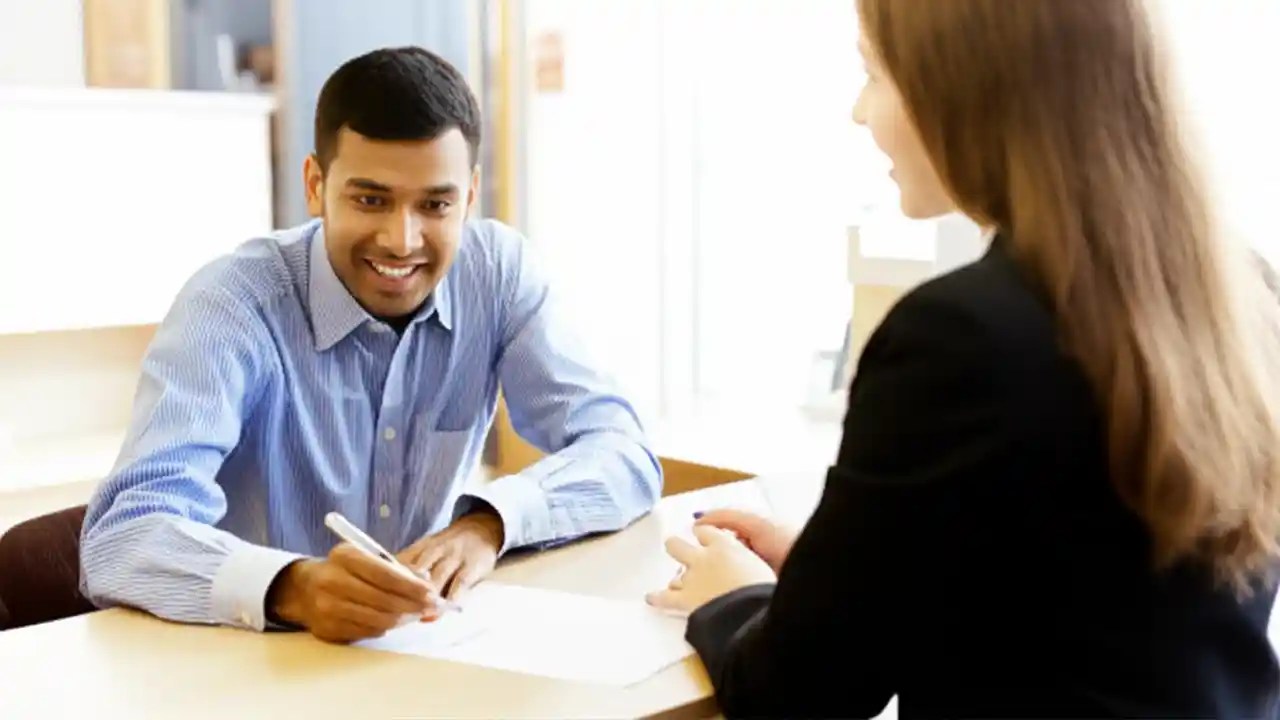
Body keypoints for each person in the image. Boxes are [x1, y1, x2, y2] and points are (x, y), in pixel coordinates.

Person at [646, 1, 1280, 717]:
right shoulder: (1243, 291)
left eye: (874, 75)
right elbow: (1100, 603)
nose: (859, 113)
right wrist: (840, 573)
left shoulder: (958, 335)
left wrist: (735, 598)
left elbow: (797, 694)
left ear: (970, 87)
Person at [80, 46, 662, 644]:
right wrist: (293, 587)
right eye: (371, 200)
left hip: (424, 650)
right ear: (316, 185)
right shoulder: (232, 304)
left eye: (435, 204)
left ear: (470, 196)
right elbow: (123, 534)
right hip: (251, 659)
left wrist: (490, 523)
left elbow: (624, 453)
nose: (401, 240)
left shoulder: (499, 274)